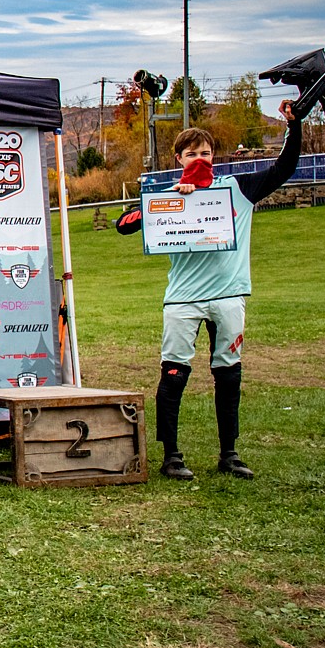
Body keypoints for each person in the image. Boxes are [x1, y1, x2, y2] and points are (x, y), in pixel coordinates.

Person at [117, 101, 301, 481]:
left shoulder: (238, 188)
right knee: (173, 375)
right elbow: (124, 224)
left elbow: (284, 168)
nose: (199, 159)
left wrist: (294, 127)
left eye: (205, 153)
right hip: (183, 298)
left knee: (228, 375)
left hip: (229, 295)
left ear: (214, 156)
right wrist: (168, 203)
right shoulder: (169, 194)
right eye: (191, 154)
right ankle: (171, 456)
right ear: (178, 158)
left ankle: (229, 454)